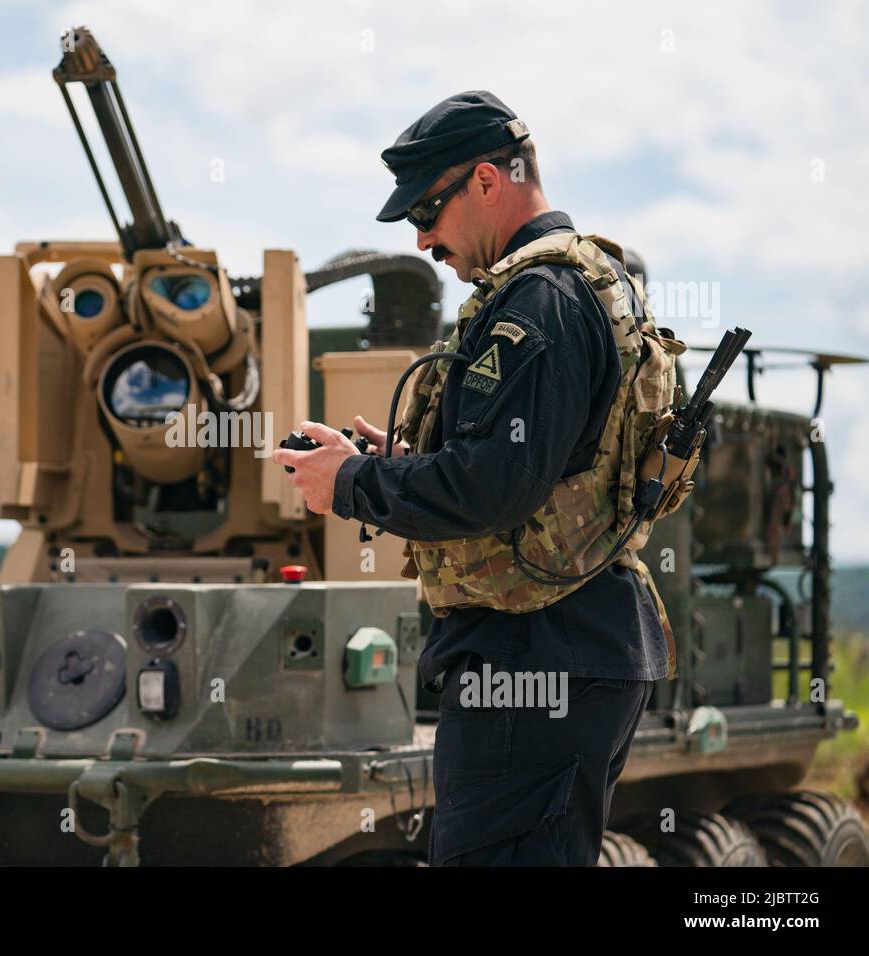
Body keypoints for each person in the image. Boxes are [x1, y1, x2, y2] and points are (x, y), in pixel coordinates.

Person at [271, 91, 679, 866]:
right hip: (566, 646)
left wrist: (352, 485)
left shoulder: (540, 298)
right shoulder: (583, 282)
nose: (423, 239)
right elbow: (536, 472)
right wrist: (390, 462)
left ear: (488, 181)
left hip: (535, 654)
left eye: (428, 210)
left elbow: (492, 488)